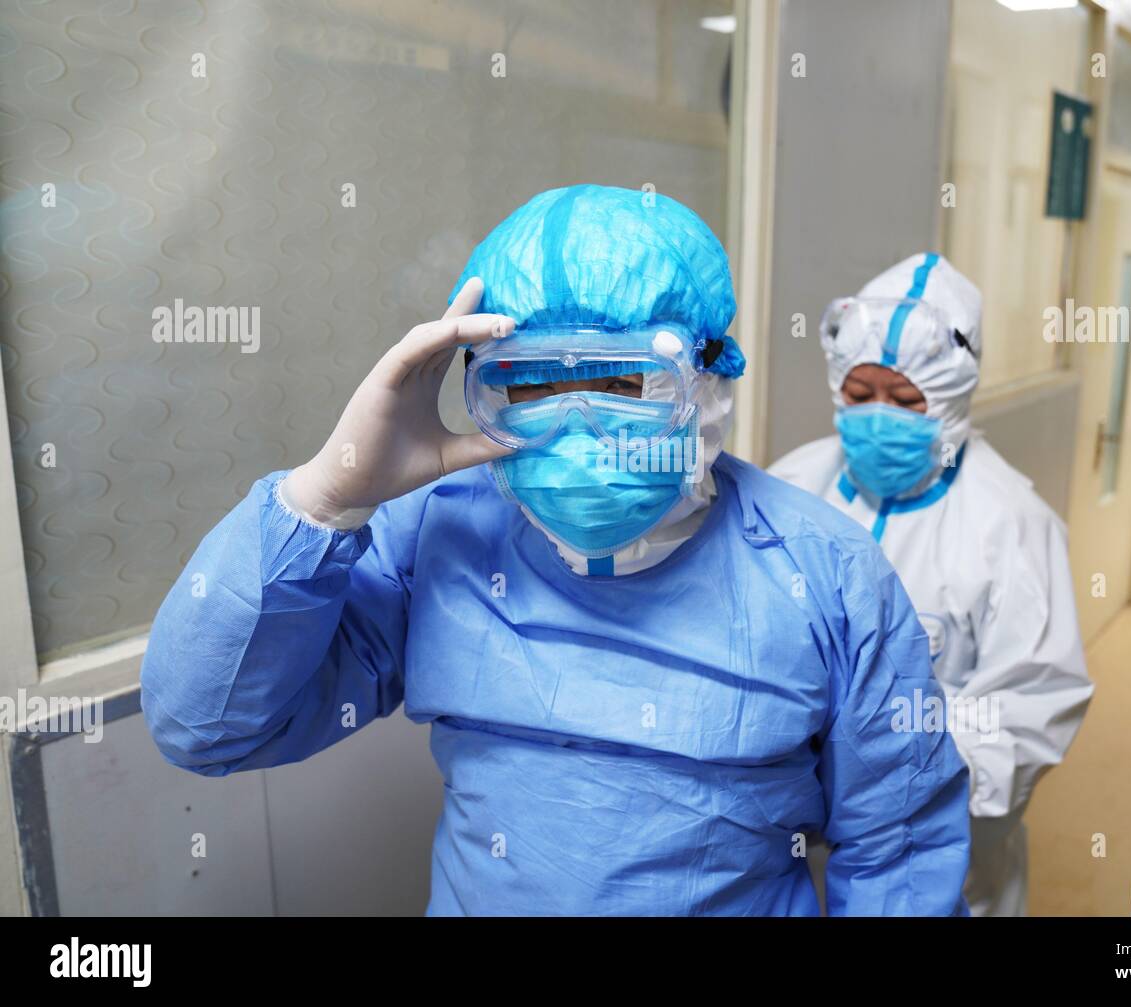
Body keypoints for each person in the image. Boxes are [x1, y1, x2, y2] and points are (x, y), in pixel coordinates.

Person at [141, 186, 970, 916]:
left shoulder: (826, 573)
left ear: (712, 382)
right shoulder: (440, 534)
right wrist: (328, 496)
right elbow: (205, 726)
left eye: (621, 383)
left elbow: (897, 855)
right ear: (480, 389)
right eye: (530, 386)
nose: (578, 426)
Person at [770, 253, 1093, 916]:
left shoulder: (1012, 525)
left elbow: (1032, 711)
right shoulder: (793, 487)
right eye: (860, 396)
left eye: (907, 400)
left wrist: (895, 778)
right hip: (791, 850)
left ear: (948, 401)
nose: (879, 416)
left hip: (940, 863)